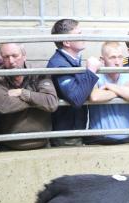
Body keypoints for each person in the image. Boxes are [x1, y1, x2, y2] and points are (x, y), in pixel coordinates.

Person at [0, 42, 58, 150]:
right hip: (9, 147)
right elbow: (2, 106)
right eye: (6, 57)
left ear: (24, 56)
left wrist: (23, 93)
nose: (11, 61)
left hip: (42, 144)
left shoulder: (39, 73)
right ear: (1, 57)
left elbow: (51, 103)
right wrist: (36, 99)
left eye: (15, 56)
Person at [46, 18, 100, 147]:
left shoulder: (72, 61)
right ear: (67, 42)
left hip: (74, 131)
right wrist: (91, 71)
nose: (83, 37)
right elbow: (76, 98)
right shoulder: (59, 65)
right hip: (66, 136)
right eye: (79, 34)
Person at [86, 41, 129, 145]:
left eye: (120, 57)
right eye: (112, 57)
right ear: (102, 60)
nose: (117, 62)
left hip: (125, 139)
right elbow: (95, 97)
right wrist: (122, 90)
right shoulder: (95, 76)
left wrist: (109, 87)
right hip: (98, 140)